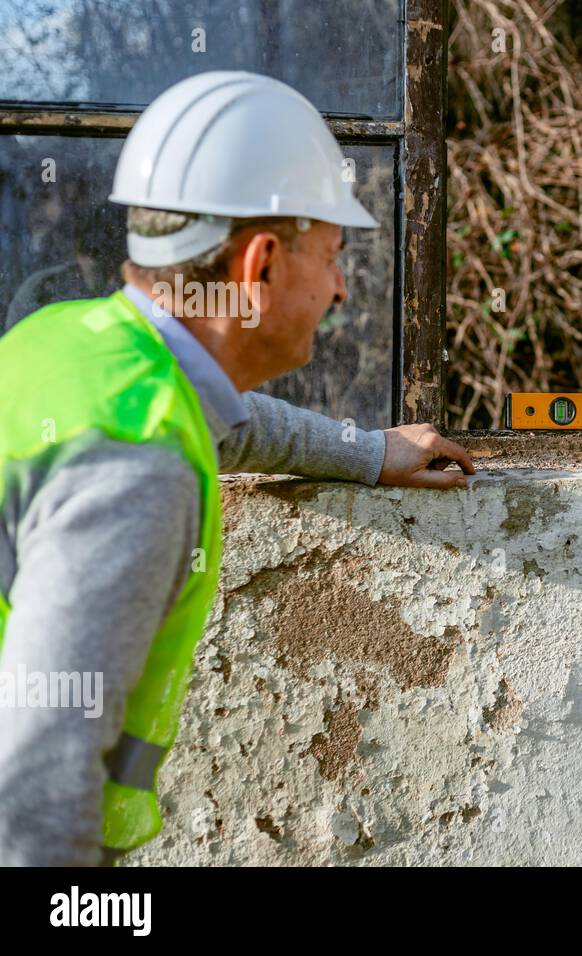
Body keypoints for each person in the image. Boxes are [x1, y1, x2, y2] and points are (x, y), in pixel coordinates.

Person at [0, 71, 475, 866]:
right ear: (259, 265)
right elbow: (35, 792)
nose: (340, 290)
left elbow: (227, 422)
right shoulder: (139, 469)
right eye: (329, 257)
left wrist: (366, 451)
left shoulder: (71, 344)